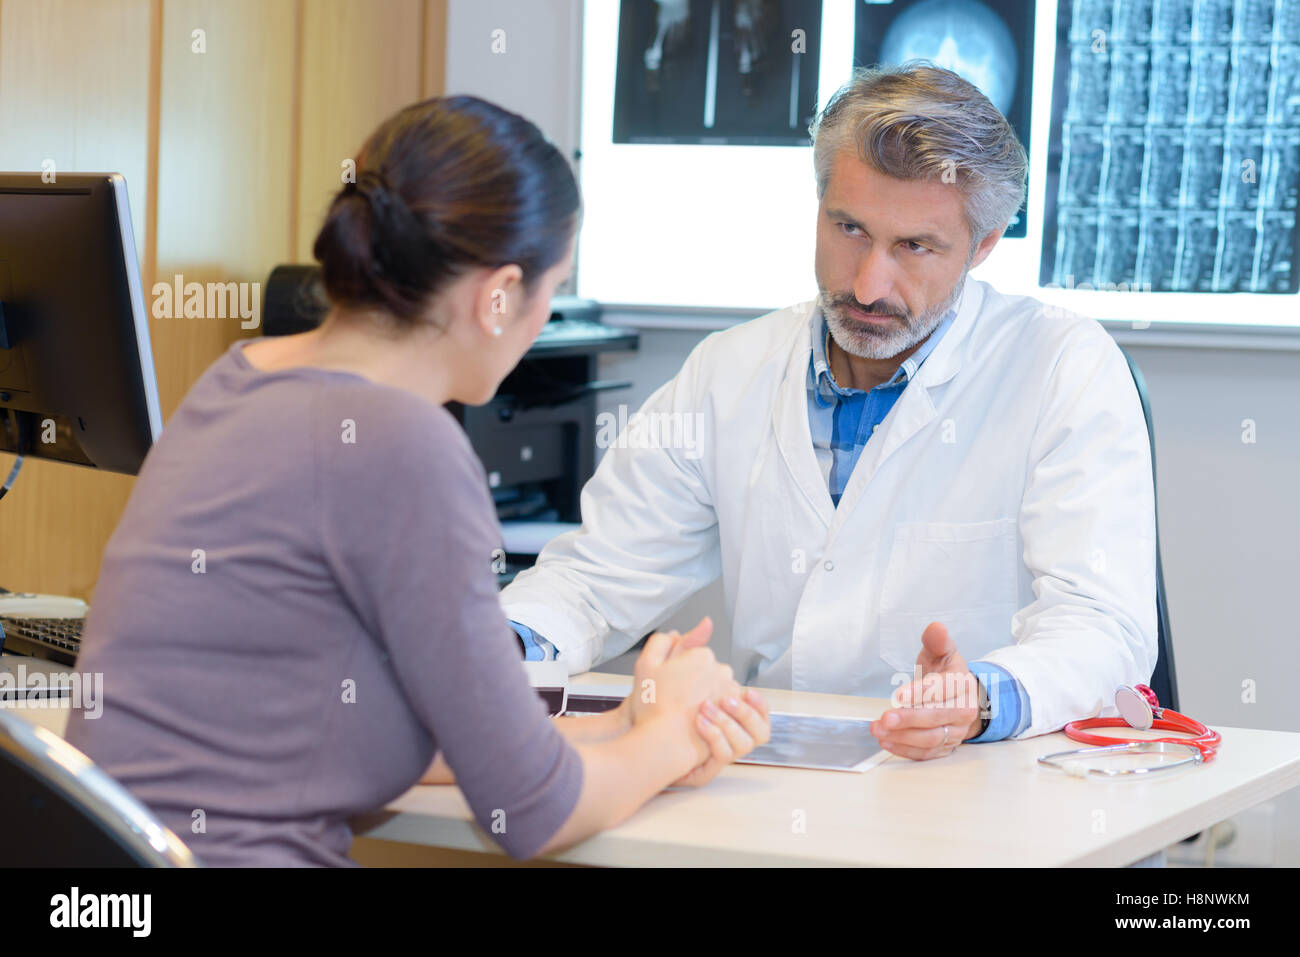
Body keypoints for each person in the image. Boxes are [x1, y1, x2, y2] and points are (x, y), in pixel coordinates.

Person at [65, 95, 769, 867]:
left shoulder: (237, 378)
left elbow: (421, 732)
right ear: (497, 294)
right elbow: (532, 810)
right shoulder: (404, 445)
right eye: (552, 289)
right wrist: (673, 738)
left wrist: (637, 723)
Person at [501, 64, 1158, 761]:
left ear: (983, 245)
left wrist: (982, 696)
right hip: (779, 774)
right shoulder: (728, 371)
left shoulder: (1064, 367)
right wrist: (503, 645)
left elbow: (1103, 625)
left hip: (988, 776)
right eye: (848, 227)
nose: (869, 284)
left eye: (915, 246)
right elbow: (598, 576)